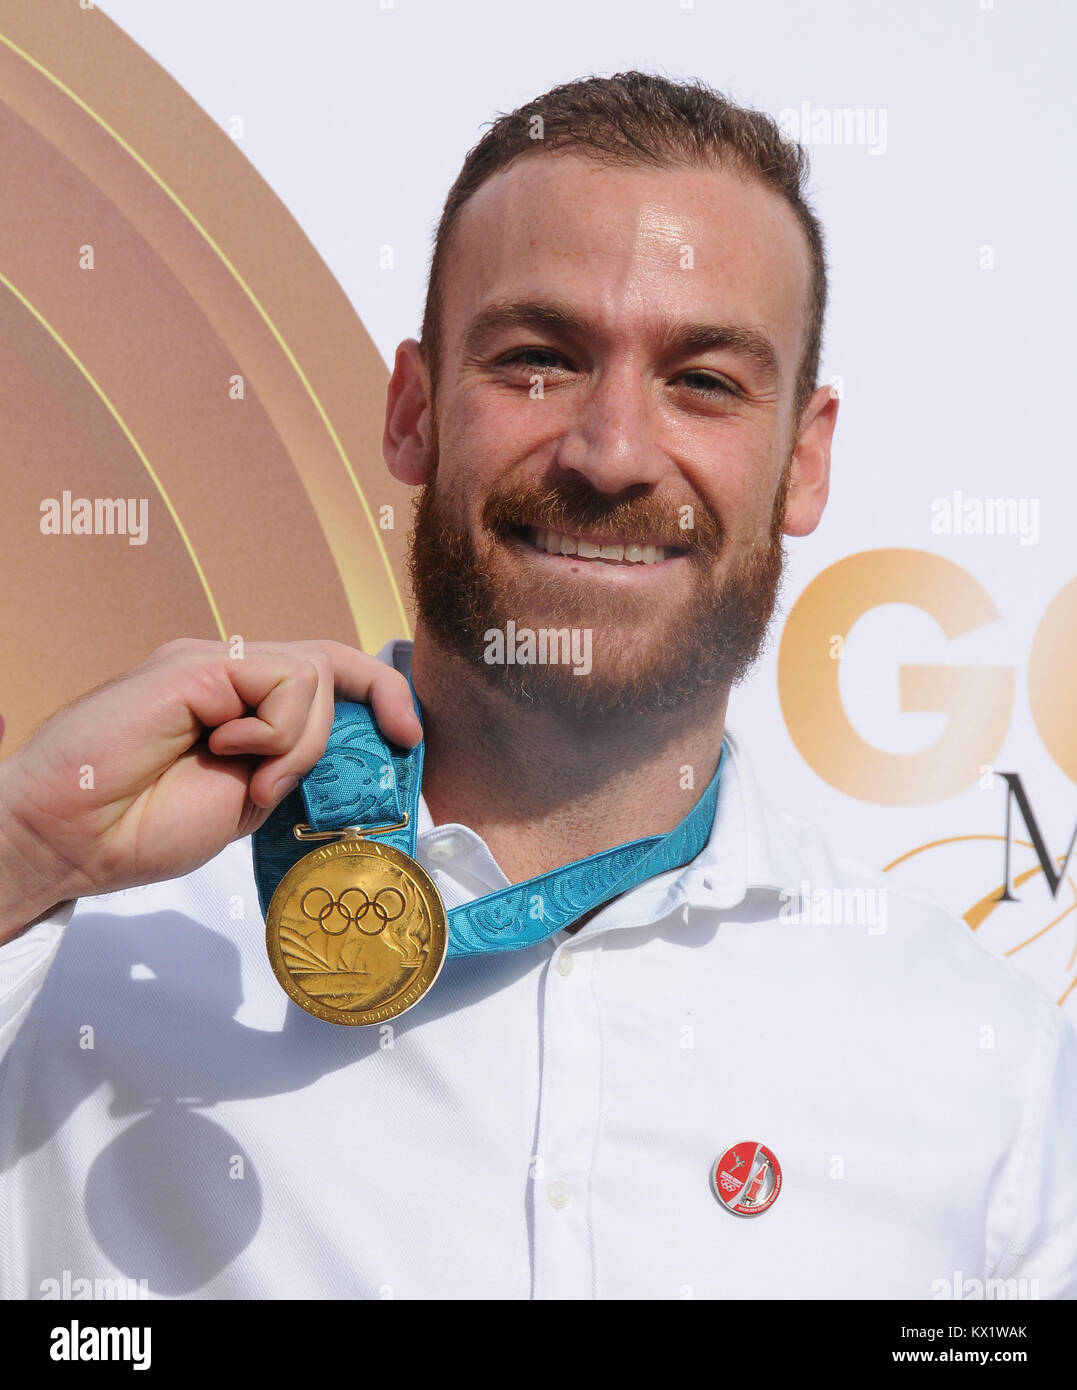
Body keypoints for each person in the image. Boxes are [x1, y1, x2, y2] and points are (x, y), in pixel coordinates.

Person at [1, 71, 1074, 1302]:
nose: (612, 452)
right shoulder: (84, 940)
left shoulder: (984, 1066)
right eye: (539, 361)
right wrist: (23, 848)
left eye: (706, 380)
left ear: (804, 462)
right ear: (413, 413)